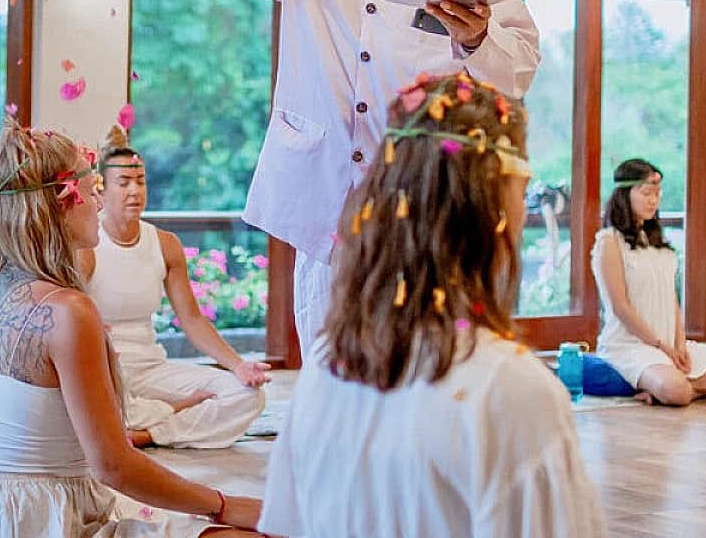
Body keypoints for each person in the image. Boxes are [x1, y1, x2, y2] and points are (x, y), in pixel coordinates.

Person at [61, 0, 541, 356]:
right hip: (327, 213)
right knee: (327, 374)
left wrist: (475, 40)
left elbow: (518, 72)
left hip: (422, 213)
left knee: (418, 375)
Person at [258, 72, 606, 537]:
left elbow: (286, 527)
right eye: (522, 190)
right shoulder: (509, 389)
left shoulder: (328, 365)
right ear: (491, 209)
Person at [0, 121, 263, 537]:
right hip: (41, 520)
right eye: (92, 192)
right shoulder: (69, 311)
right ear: (60, 206)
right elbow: (113, 466)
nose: (98, 202)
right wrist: (225, 505)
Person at [76, 124, 268, 449]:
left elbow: (192, 320)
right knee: (86, 409)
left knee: (247, 395)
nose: (135, 191)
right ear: (100, 191)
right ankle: (165, 416)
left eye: (140, 181)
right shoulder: (87, 248)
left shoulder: (165, 244)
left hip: (152, 369)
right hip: (107, 372)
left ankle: (149, 434)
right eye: (123, 183)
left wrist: (238, 365)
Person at [593, 158, 706, 405]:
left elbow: (670, 298)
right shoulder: (609, 242)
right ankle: (681, 388)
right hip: (630, 347)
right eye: (646, 193)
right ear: (624, 195)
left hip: (669, 343)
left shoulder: (657, 244)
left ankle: (677, 388)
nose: (654, 200)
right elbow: (620, 307)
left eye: (657, 193)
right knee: (677, 392)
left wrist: (679, 343)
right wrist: (661, 345)